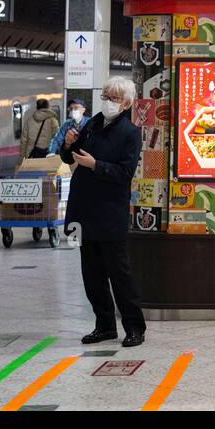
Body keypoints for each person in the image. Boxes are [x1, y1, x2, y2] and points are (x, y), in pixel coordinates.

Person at [62, 75, 146, 347]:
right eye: (106, 96)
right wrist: (68, 144)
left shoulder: (130, 133)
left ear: (126, 103)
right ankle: (105, 325)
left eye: (114, 98)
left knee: (119, 274)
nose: (108, 102)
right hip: (83, 210)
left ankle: (134, 327)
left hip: (110, 213)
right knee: (92, 274)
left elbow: (124, 173)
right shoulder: (91, 125)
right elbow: (69, 157)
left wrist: (96, 164)